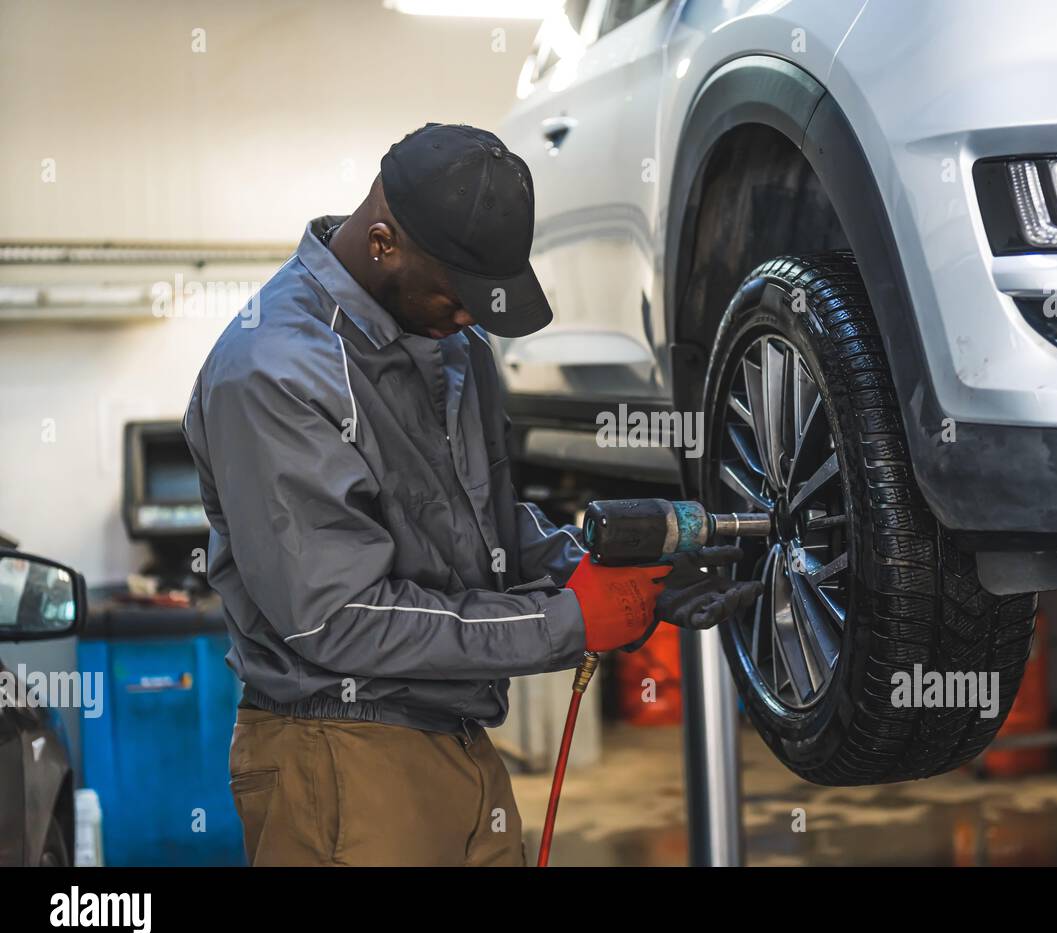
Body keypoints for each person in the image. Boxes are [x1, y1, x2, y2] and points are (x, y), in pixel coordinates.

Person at [182, 123, 757, 866]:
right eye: (456, 298)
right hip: (341, 760)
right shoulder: (275, 373)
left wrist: (603, 568)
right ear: (383, 243)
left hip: (460, 742)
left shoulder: (450, 345)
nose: (470, 319)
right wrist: (565, 621)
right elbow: (338, 618)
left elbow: (481, 521)